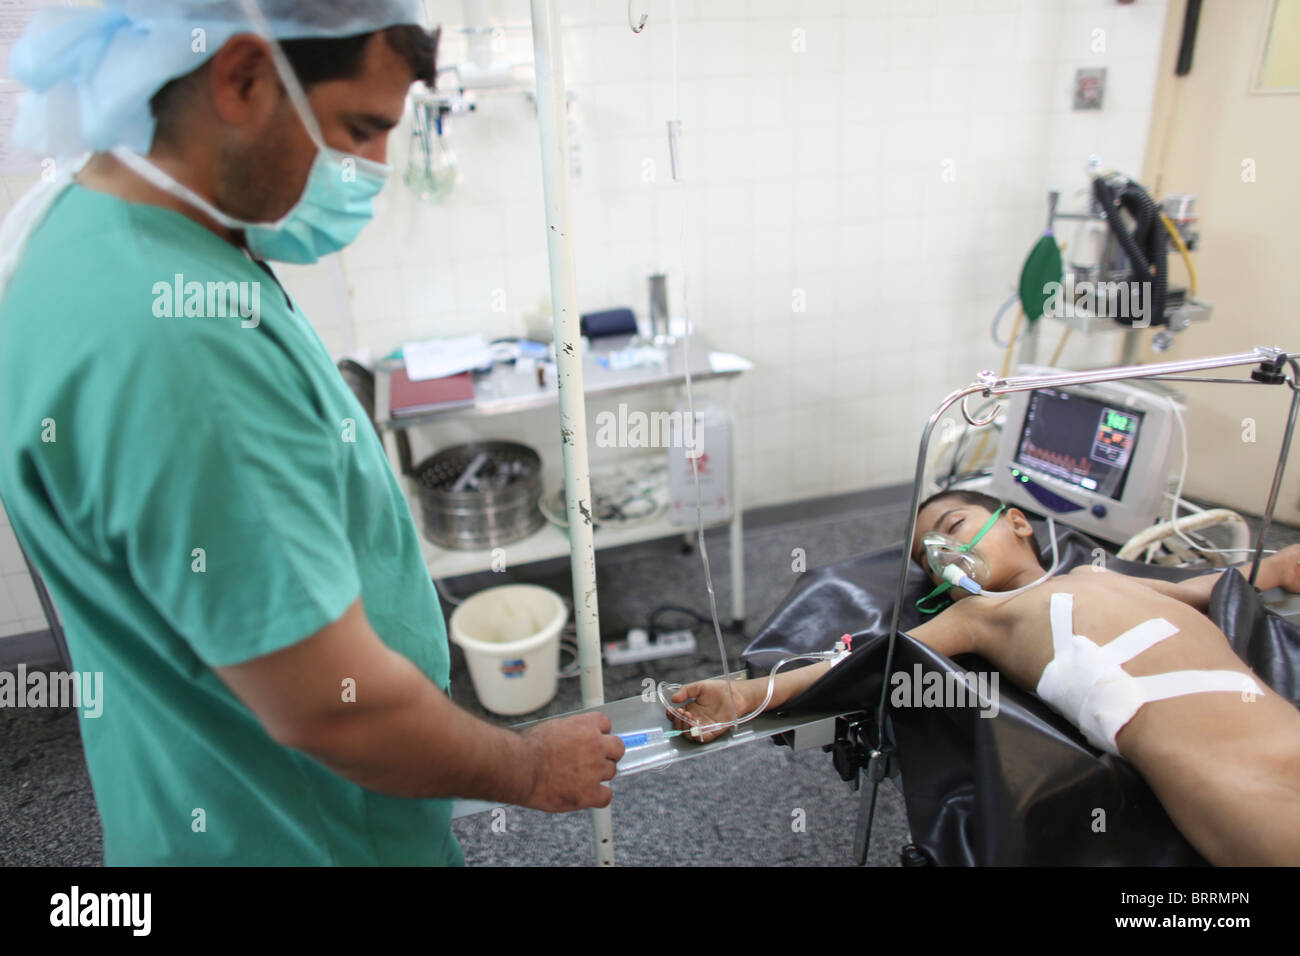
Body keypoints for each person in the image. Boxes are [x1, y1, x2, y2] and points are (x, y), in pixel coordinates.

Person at [0, 1, 622, 866]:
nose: (372, 170)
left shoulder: (73, 231)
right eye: (360, 130)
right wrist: (526, 768)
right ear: (243, 77)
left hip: (187, 792)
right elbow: (336, 707)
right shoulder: (182, 344)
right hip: (300, 832)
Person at [671, 489, 1300, 865]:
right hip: (1208, 762)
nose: (943, 556)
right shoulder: (982, 616)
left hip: (1276, 720)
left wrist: (1276, 567)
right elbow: (866, 661)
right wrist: (747, 694)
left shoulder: (1100, 575)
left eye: (953, 530)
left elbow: (1204, 589)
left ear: (1019, 521)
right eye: (928, 558)